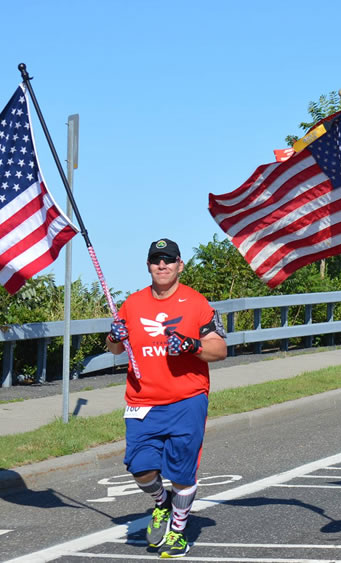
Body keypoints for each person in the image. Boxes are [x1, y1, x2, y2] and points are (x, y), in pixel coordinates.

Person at [106, 238, 227, 558]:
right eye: (156, 260)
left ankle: (177, 530)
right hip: (142, 399)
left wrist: (192, 345)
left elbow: (220, 349)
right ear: (148, 266)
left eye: (169, 260)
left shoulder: (197, 303)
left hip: (187, 398)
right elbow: (116, 347)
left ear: (179, 265)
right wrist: (113, 336)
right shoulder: (132, 304)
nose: (162, 265)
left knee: (182, 472)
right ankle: (162, 502)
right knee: (140, 467)